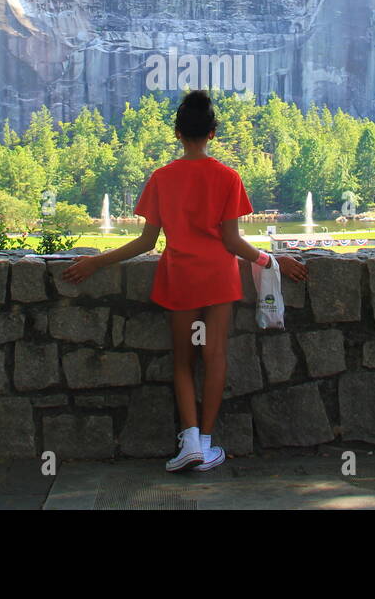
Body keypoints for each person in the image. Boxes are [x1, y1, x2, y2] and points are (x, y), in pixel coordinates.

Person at [61, 90, 307, 472]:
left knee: (183, 361)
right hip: (219, 280)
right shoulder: (228, 177)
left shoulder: (162, 178)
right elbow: (231, 240)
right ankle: (206, 444)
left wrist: (96, 263)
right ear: (213, 132)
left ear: (178, 132)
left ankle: (189, 439)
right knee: (214, 356)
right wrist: (271, 259)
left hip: (181, 280)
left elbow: (147, 242)